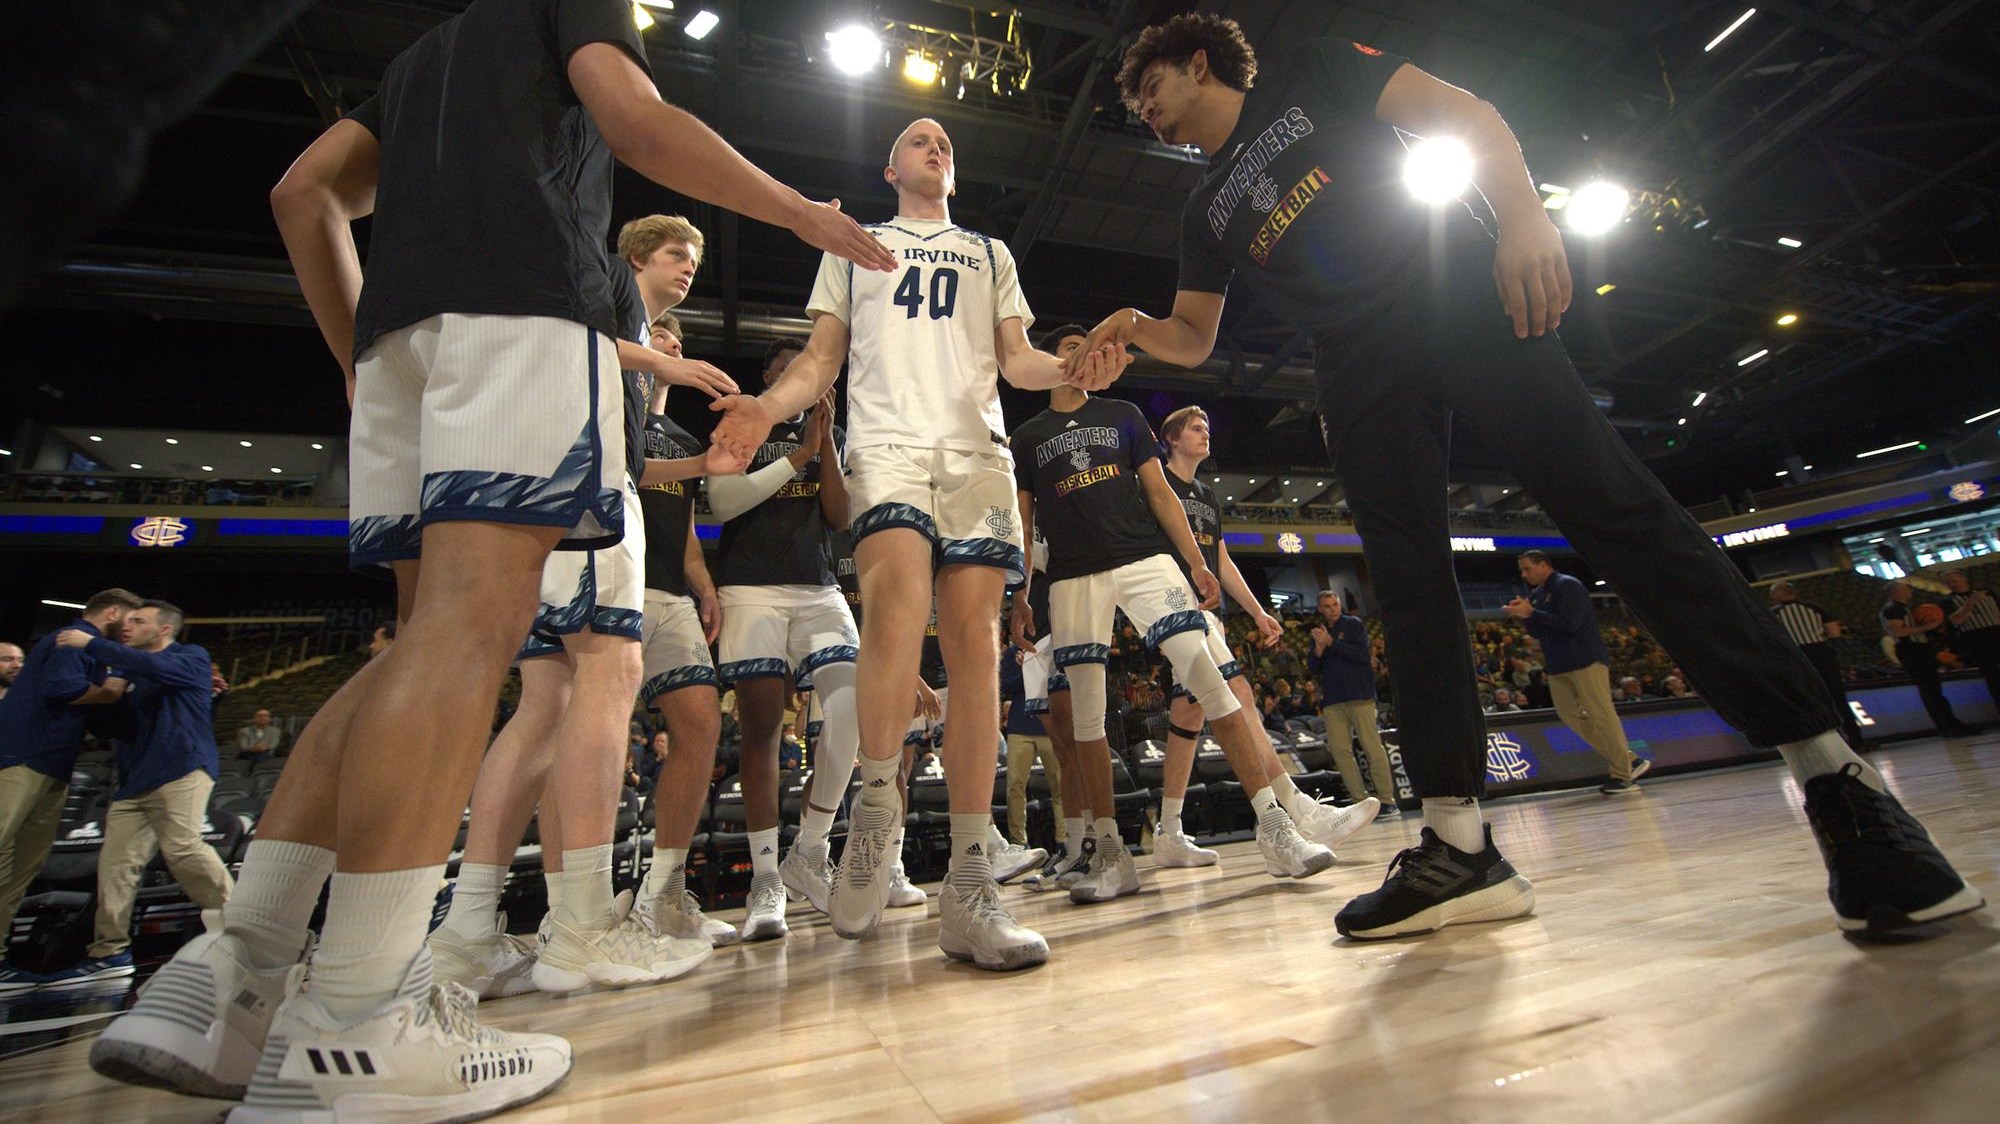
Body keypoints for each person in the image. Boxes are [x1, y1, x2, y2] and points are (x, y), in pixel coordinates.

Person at [88, 0, 895, 1114]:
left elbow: (300, 193)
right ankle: (363, 1013)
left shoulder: (427, 55)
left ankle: (235, 964)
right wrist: (799, 210)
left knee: (417, 647)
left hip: (401, 343)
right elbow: (637, 122)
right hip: (515, 324)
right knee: (471, 637)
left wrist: (355, 350)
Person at [1069, 12, 1983, 941]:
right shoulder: (1204, 207)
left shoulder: (1309, 68)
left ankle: (1837, 778)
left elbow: (1462, 112)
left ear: (1197, 62)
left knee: (1613, 505)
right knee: (1412, 587)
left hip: (1454, 288)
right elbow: (1193, 335)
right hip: (1355, 367)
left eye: (1150, 89)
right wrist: (1132, 325)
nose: (1145, 112)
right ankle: (1459, 845)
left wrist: (1523, 215)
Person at [712, 117, 1081, 970]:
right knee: (895, 609)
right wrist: (769, 409)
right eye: (919, 139)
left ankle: (970, 885)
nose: (937, 145)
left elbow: (1017, 361)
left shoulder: (990, 253)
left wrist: (1068, 369)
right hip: (885, 447)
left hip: (977, 454)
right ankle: (877, 807)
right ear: (889, 169)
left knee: (977, 649)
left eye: (946, 141)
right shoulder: (852, 244)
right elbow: (820, 359)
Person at [1009, 365, 1335, 908]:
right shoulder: (1029, 436)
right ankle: (1112, 853)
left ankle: (1276, 828)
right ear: (1048, 361)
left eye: (1084, 349)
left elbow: (1160, 494)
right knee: (1089, 715)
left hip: (1144, 559)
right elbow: (1024, 519)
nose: (1078, 358)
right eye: (1068, 349)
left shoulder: (1122, 414)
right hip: (1072, 575)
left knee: (1212, 682)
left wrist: (1195, 562)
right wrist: (1019, 592)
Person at [1146, 402, 1375, 869]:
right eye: (1195, 427)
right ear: (1170, 437)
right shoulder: (1156, 483)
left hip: (1211, 614)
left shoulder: (1206, 495)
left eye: (1207, 426)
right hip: (1174, 608)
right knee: (1240, 695)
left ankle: (1168, 831)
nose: (1205, 433)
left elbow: (1222, 561)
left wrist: (1258, 612)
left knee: (1188, 716)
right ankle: (1294, 809)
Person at [705, 336, 857, 944]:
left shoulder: (826, 439)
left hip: (818, 589)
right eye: (785, 371)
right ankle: (765, 881)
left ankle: (810, 850)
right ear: (769, 379)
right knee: (764, 732)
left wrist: (825, 450)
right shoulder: (745, 425)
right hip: (749, 588)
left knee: (851, 710)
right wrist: (798, 456)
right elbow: (722, 500)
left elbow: (841, 519)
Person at [42, 601, 233, 986]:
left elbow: (158, 669)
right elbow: (111, 725)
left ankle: (246, 926)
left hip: (182, 768)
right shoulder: (127, 669)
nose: (128, 627)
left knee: (182, 847)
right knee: (116, 867)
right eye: (126, 621)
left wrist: (92, 645)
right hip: (133, 781)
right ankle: (109, 953)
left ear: (164, 629)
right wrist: (104, 695)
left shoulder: (191, 656)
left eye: (138, 621)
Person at [0, 588, 140, 991]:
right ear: (112, 612)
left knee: (17, 870)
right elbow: (64, 689)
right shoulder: (70, 639)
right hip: (21, 758)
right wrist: (111, 691)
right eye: (128, 619)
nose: (129, 629)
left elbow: (100, 719)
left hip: (52, 765)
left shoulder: (93, 652)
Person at [1505, 553, 1647, 796]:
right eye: (1522, 570)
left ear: (1543, 565)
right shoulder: (1538, 594)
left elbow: (1570, 623)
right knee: (1568, 713)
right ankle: (1629, 760)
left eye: (1527, 569)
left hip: (1585, 659)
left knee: (1601, 715)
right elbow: (1539, 630)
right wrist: (1523, 616)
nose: (1524, 574)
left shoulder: (1567, 585)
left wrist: (1532, 614)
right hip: (1559, 664)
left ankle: (1623, 776)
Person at [1310, 590, 1399, 816]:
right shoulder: (1320, 632)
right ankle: (1360, 801)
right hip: (1333, 700)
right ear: (1320, 608)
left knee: (1372, 747)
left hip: (1360, 696)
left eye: (1335, 604)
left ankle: (1386, 799)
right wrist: (1319, 650)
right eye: (1327, 606)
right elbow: (1313, 669)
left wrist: (1331, 643)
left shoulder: (1353, 625)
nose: (1332, 609)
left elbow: (1361, 656)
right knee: (1340, 751)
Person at [1768, 581, 1861, 746]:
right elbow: (1834, 631)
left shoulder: (1774, 613)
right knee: (1837, 698)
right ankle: (1854, 738)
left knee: (1810, 700)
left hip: (1796, 657)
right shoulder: (1814, 608)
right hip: (1822, 653)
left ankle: (1826, 743)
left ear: (1778, 595)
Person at [1881, 581, 1972, 737]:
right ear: (1897, 591)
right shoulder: (1893, 608)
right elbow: (1897, 632)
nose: (1910, 591)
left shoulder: (1901, 608)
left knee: (1933, 689)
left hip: (1917, 649)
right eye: (1906, 588)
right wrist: (1927, 627)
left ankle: (1949, 723)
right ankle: (1947, 726)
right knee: (1930, 690)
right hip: (1911, 650)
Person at [1942, 569, 2000, 708]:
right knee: (1993, 678)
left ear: (1963, 579)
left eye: (1953, 580)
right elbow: (1955, 620)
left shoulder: (1987, 593)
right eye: (1948, 582)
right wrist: (1970, 603)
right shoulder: (1948, 601)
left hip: (1996, 631)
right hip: (1976, 638)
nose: (1952, 584)